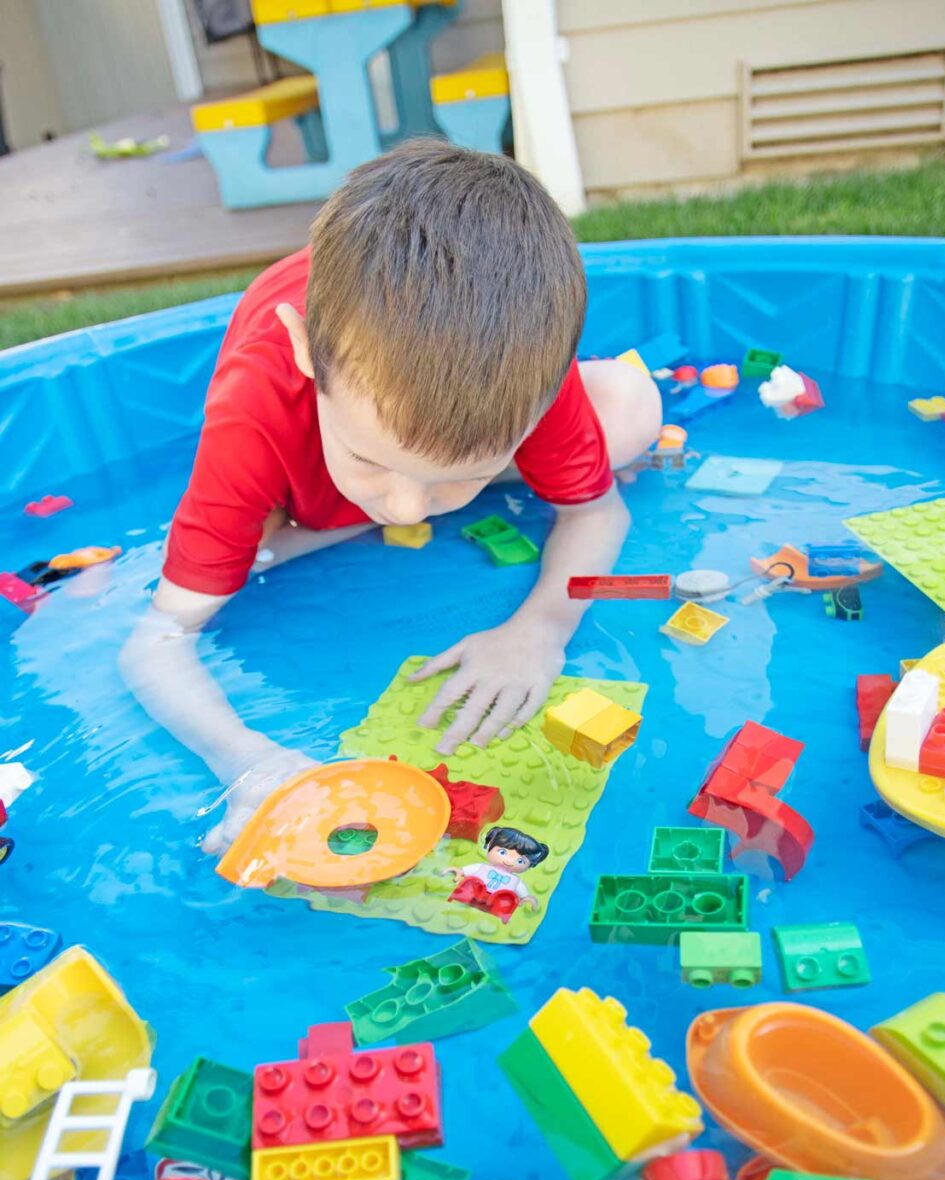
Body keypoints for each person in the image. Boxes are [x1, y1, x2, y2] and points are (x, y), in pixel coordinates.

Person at [120, 139, 661, 854]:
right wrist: (250, 762)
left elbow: (598, 512)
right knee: (239, 553)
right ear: (306, 351)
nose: (405, 510)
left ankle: (405, 468)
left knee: (633, 405)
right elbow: (155, 641)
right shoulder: (257, 404)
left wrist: (540, 630)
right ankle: (382, 483)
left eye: (456, 477)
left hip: (384, 437)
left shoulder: (527, 374)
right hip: (294, 475)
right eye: (372, 465)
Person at [446, 825, 550, 919]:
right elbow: (465, 871)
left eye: (520, 861)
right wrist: (460, 872)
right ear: (490, 847)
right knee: (471, 884)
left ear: (529, 865)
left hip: (497, 904)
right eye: (502, 852)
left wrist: (526, 898)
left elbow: (523, 894)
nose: (509, 861)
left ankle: (499, 915)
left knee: (506, 900)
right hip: (472, 893)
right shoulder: (482, 867)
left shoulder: (516, 881)